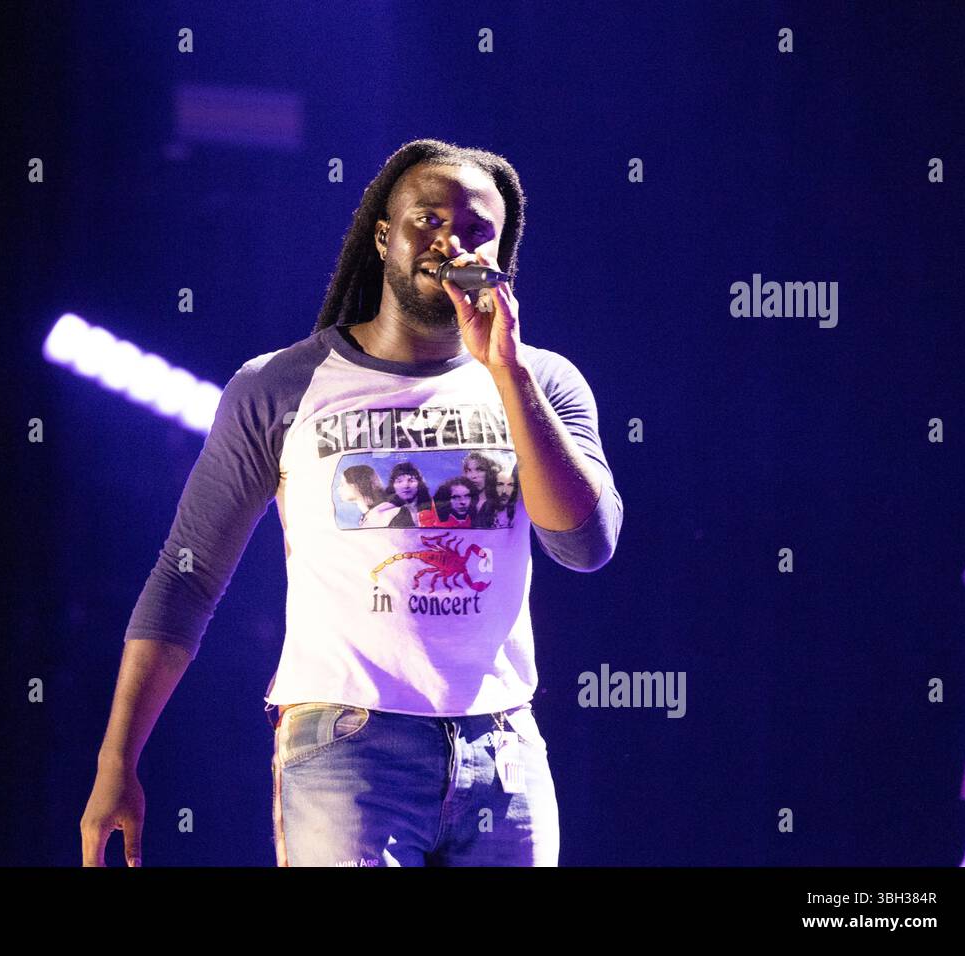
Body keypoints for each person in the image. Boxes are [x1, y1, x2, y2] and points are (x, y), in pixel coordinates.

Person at [81, 138, 624, 867]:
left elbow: (585, 545)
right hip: (348, 746)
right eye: (427, 220)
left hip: (504, 752)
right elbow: (185, 578)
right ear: (383, 237)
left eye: (475, 230)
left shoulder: (542, 383)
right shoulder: (278, 385)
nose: (449, 241)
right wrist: (118, 759)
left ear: (501, 255)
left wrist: (508, 373)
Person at [362, 461, 430, 528]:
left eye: (411, 481)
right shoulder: (381, 509)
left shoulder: (433, 507)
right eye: (399, 481)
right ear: (393, 486)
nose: (405, 485)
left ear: (420, 484)